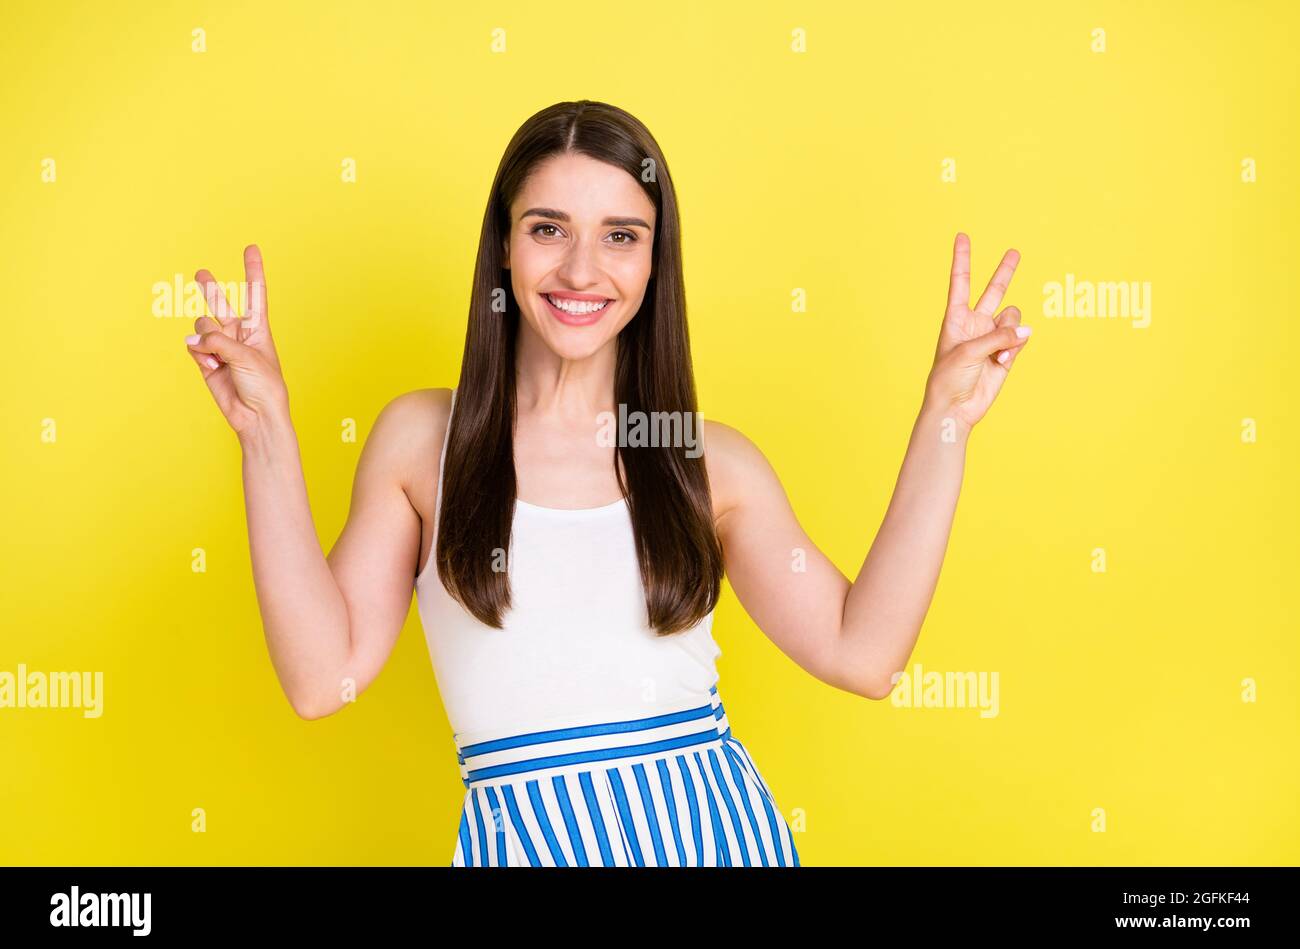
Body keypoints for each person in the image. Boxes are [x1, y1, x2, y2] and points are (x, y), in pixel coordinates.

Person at [182, 99, 1031, 866]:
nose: (583, 271)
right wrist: (264, 431)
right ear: (503, 246)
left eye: (621, 235)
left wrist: (947, 420)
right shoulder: (421, 442)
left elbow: (864, 655)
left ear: (655, 261)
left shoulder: (705, 462)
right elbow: (319, 678)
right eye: (548, 229)